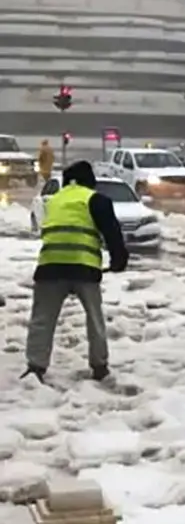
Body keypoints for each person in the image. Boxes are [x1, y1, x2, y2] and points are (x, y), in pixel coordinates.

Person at [24, 161, 128, 383]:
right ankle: (99, 366)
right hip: (84, 267)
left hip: (49, 266)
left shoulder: (54, 201)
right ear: (90, 181)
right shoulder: (95, 200)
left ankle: (36, 366)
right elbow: (112, 233)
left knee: (42, 319)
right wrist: (119, 260)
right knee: (94, 318)